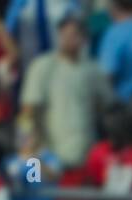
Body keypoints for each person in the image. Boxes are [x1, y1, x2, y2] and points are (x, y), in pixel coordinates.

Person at [18, 15, 113, 170]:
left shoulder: (93, 70)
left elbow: (108, 109)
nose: (68, 40)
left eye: (74, 35)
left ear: (84, 39)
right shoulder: (42, 66)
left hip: (85, 158)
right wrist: (25, 150)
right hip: (49, 159)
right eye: (64, 35)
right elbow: (27, 112)